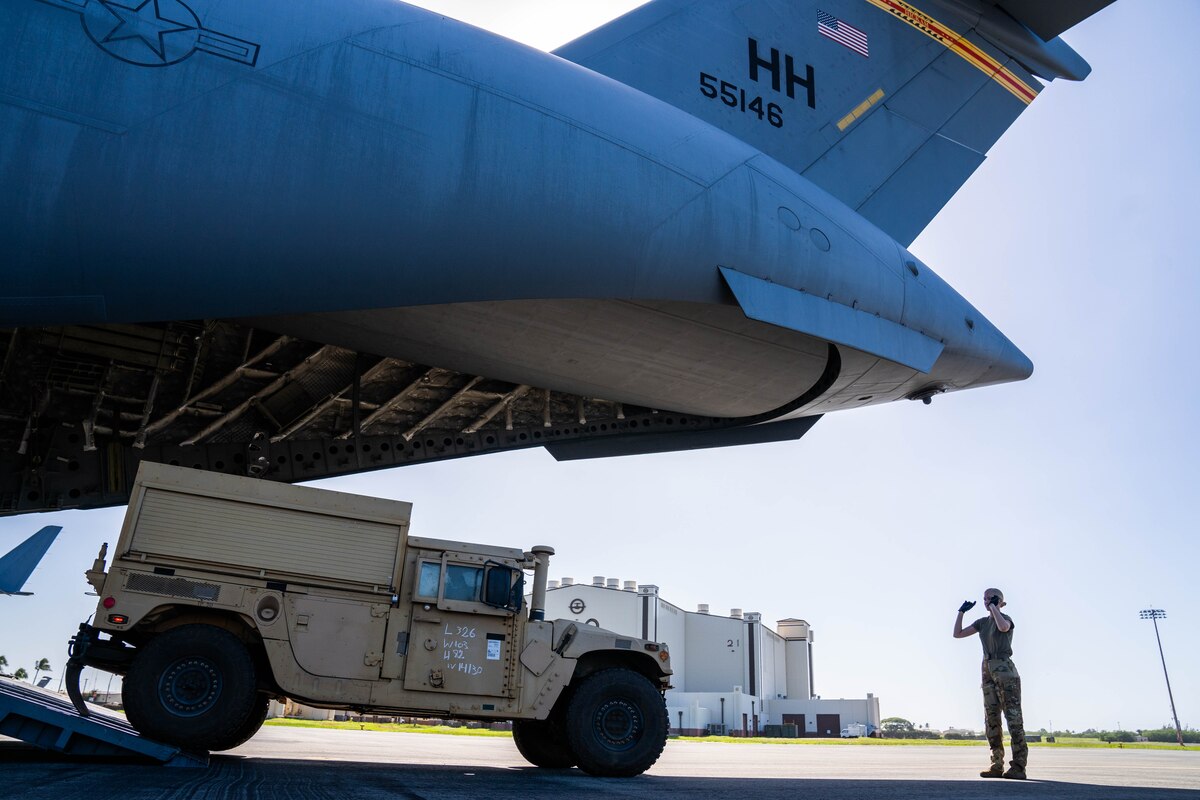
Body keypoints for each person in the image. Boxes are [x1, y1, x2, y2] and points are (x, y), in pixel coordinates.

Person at [954, 588, 1027, 780]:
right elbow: (958, 634)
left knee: (1013, 720)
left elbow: (1003, 628)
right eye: (985, 599)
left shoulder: (1005, 618)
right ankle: (996, 764)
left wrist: (995, 607)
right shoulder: (982, 623)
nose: (986, 601)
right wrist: (961, 612)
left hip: (1005, 670)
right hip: (987, 670)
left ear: (1000, 601)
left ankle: (1019, 767)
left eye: (991, 598)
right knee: (992, 720)